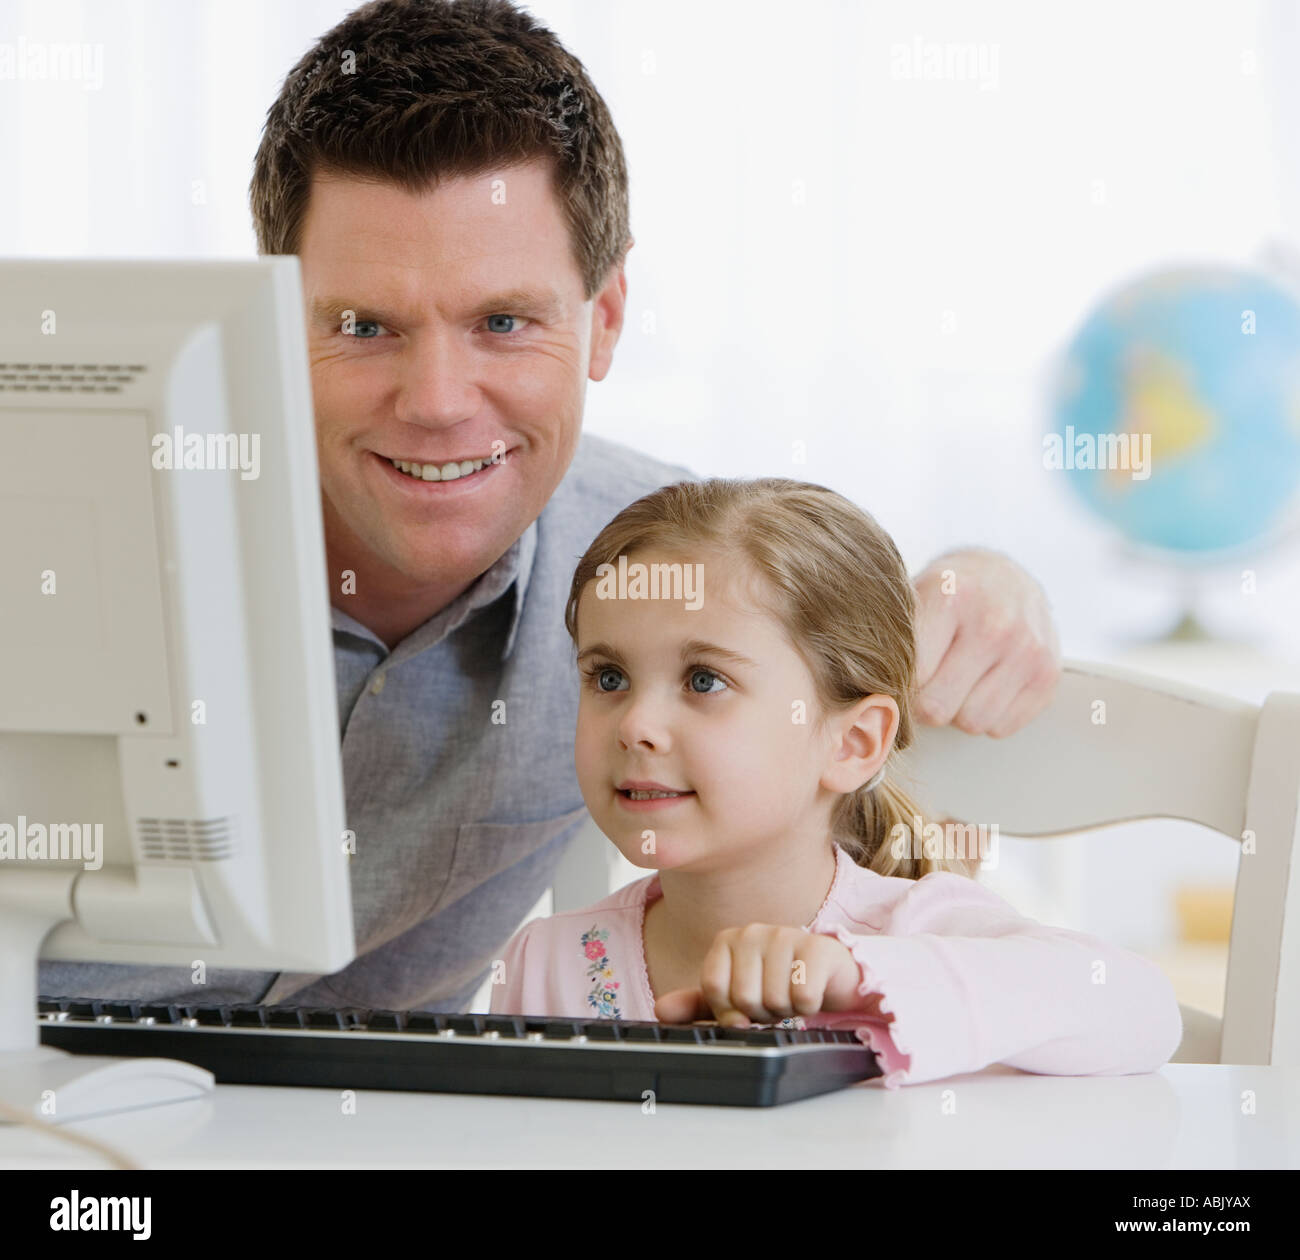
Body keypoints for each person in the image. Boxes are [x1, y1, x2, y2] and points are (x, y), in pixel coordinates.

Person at [39, 0, 1061, 1013]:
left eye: (502, 321)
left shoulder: (650, 570)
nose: (436, 403)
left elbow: (822, 598)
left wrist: (986, 575)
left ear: (602, 320)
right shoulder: (71, 530)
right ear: (266, 323)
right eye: (363, 326)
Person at [490, 478, 1182, 1088]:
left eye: (705, 680)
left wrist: (856, 977)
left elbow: (1141, 1010)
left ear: (853, 744)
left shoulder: (911, 930)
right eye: (608, 678)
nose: (636, 723)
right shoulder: (546, 962)